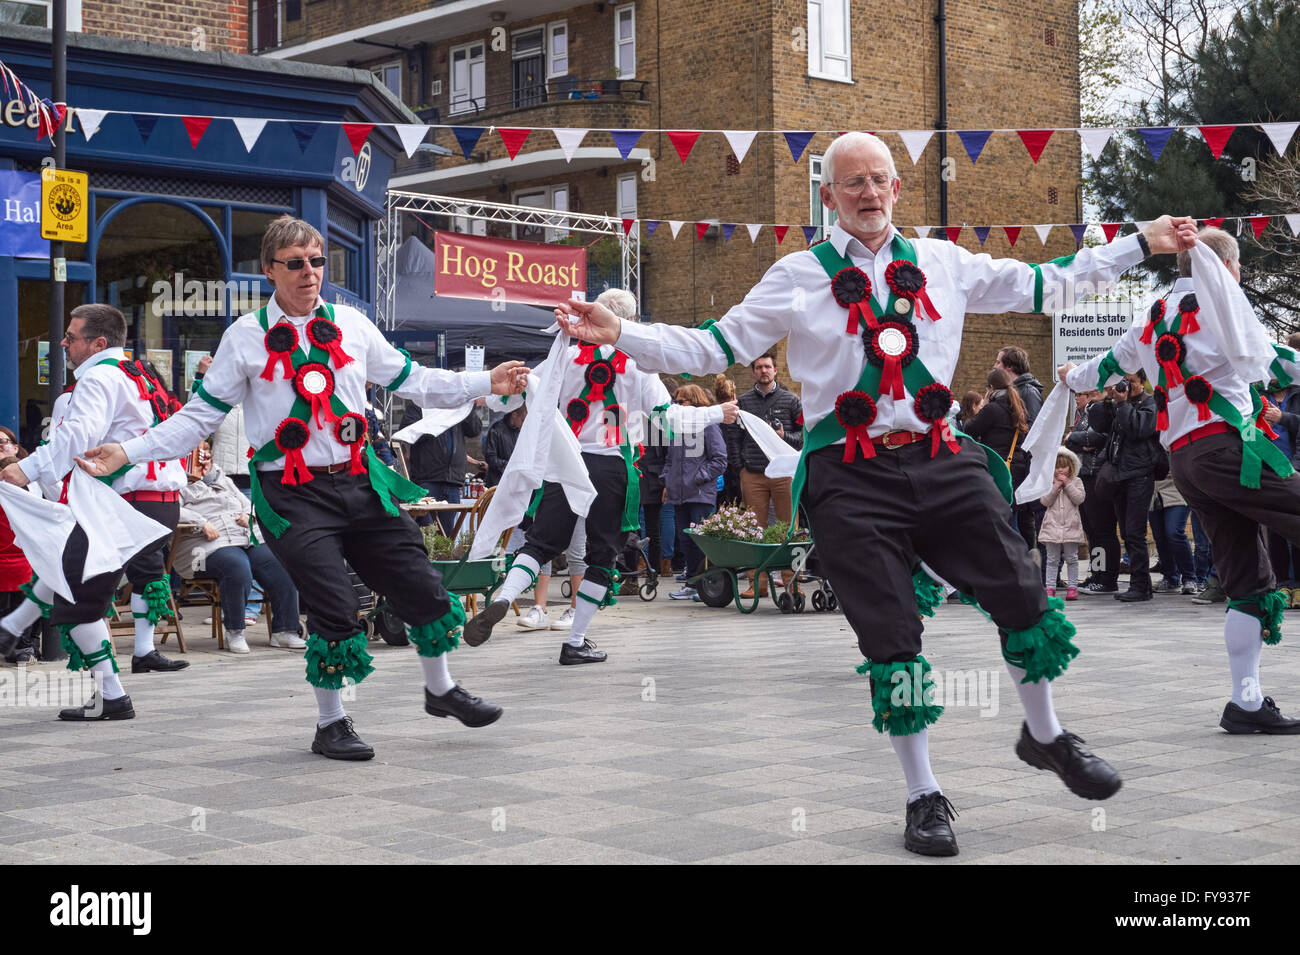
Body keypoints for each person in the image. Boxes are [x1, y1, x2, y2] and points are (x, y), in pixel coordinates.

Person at [554, 131, 1196, 856]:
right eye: (850, 182)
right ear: (827, 195)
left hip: (941, 456)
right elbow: (712, 346)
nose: (866, 193)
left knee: (1023, 593)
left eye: (879, 180)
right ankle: (924, 793)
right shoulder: (795, 275)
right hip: (847, 473)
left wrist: (1139, 243)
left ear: (897, 189)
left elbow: (1049, 284)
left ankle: (1045, 734)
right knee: (891, 636)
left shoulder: (943, 262)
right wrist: (622, 333)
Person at [77, 215, 529, 758]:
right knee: (335, 605)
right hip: (291, 494)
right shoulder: (243, 337)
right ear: (270, 270)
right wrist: (128, 450)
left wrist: (486, 382)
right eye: (296, 263)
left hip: (360, 480)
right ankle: (331, 722)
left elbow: (417, 380)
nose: (310, 272)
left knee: (423, 587)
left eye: (316, 261)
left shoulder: (353, 326)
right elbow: (198, 418)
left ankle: (441, 690)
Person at [1064, 225, 1300, 734]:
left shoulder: (1148, 319)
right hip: (1223, 450)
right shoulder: (1225, 307)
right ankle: (1247, 700)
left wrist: (1069, 376)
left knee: (1248, 581)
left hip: (1187, 465)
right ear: (1228, 267)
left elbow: (1100, 370)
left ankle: (1246, 701)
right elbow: (1277, 360)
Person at [464, 288, 738, 663]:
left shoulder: (566, 353)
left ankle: (504, 598)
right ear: (627, 321)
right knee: (601, 556)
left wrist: (484, 395)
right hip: (611, 467)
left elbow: (519, 392)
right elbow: (668, 421)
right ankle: (575, 642)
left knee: (541, 544)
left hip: (566, 462)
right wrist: (715, 413)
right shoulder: (638, 363)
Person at [1, 304, 192, 723]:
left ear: (98, 343)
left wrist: (26, 469)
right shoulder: (140, 374)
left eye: (72, 337)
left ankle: (112, 694)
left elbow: (78, 435)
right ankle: (16, 627)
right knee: (73, 580)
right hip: (157, 503)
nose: (64, 343)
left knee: (77, 600)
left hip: (121, 503)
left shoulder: (97, 378)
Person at [175, 443, 303, 653]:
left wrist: (249, 515)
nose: (203, 457)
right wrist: (201, 522)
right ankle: (235, 631)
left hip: (243, 537)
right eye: (198, 453)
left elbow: (245, 502)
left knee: (281, 563)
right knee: (236, 566)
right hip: (203, 545)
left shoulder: (221, 479)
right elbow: (171, 509)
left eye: (206, 452)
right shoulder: (175, 481)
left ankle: (285, 631)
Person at [1086, 371, 1160, 602]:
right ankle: (1140, 585)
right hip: (1119, 474)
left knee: (1135, 532)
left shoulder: (1151, 404)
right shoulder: (1121, 404)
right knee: (1126, 533)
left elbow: (1139, 429)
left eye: (1131, 382)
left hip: (1139, 474)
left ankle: (1140, 586)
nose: (1126, 386)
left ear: (1142, 382)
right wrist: (1107, 400)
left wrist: (1122, 404)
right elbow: (1101, 426)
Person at [736, 353, 803, 597]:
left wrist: (785, 437)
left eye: (768, 367)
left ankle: (792, 582)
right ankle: (758, 584)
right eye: (759, 367)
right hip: (754, 473)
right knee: (755, 529)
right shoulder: (743, 402)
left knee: (789, 529)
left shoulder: (791, 401)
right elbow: (735, 437)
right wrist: (739, 466)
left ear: (775, 370)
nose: (764, 371)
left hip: (784, 473)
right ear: (753, 372)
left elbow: (803, 437)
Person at [663, 384, 728, 600]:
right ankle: (692, 583)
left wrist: (698, 477)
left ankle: (706, 584)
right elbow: (670, 459)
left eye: (681, 402)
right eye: (675, 402)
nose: (676, 406)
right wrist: (668, 482)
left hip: (700, 493)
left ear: (695, 401)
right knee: (686, 541)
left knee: (701, 540)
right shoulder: (677, 427)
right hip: (679, 493)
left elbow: (720, 460)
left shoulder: (708, 426)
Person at [398, 397, 484, 534]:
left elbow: (474, 429)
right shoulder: (420, 404)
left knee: (446, 535)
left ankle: (443, 557)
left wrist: (467, 406)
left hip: (452, 481)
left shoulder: (457, 407)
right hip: (427, 480)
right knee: (426, 533)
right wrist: (435, 422)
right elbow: (407, 431)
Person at [1066, 389, 1121, 594]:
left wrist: (1075, 437)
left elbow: (1098, 436)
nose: (1076, 399)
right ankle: (1097, 574)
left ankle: (1108, 579)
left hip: (1096, 474)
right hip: (1084, 474)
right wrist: (1077, 439)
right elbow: (1077, 440)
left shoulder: (1099, 410)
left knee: (1103, 530)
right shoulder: (1085, 413)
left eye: (1080, 394)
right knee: (1092, 531)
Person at [1039, 448, 1086, 600]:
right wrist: (1055, 487)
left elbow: (1079, 499)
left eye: (1063, 466)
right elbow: (1045, 501)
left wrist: (1067, 484)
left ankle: (1073, 587)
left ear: (1071, 467)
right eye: (1056, 466)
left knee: (1072, 558)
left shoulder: (1077, 481)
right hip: (1052, 527)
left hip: (1070, 527)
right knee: (1052, 559)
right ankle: (1050, 587)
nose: (1059, 470)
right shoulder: (1049, 483)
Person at [1148, 471, 1198, 595]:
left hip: (1177, 490)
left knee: (1174, 532)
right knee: (1160, 537)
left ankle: (1189, 578)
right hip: (1152, 492)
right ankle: (1170, 578)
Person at [714, 374, 744, 508]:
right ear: (733, 396)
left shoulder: (713, 415)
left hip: (718, 469)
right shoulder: (738, 416)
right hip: (734, 469)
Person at [994, 345, 1044, 424]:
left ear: (1009, 366)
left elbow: (1033, 426)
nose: (995, 366)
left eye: (998, 362)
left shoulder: (1029, 392)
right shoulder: (1007, 391)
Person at [484, 405, 525, 488]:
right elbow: (490, 458)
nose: (524, 424)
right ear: (514, 415)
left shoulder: (522, 432)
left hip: (515, 482)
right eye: (522, 420)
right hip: (497, 483)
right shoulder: (496, 430)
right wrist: (510, 466)